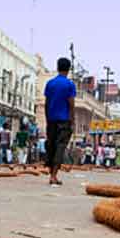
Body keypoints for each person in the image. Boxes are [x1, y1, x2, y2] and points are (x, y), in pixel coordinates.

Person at [44, 57, 76, 185]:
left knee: (51, 145)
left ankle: (51, 173)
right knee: (60, 147)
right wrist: (72, 119)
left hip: (51, 119)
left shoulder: (50, 83)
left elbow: (47, 103)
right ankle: (53, 175)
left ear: (57, 67)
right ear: (68, 69)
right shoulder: (69, 84)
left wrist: (47, 118)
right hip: (64, 120)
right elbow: (71, 104)